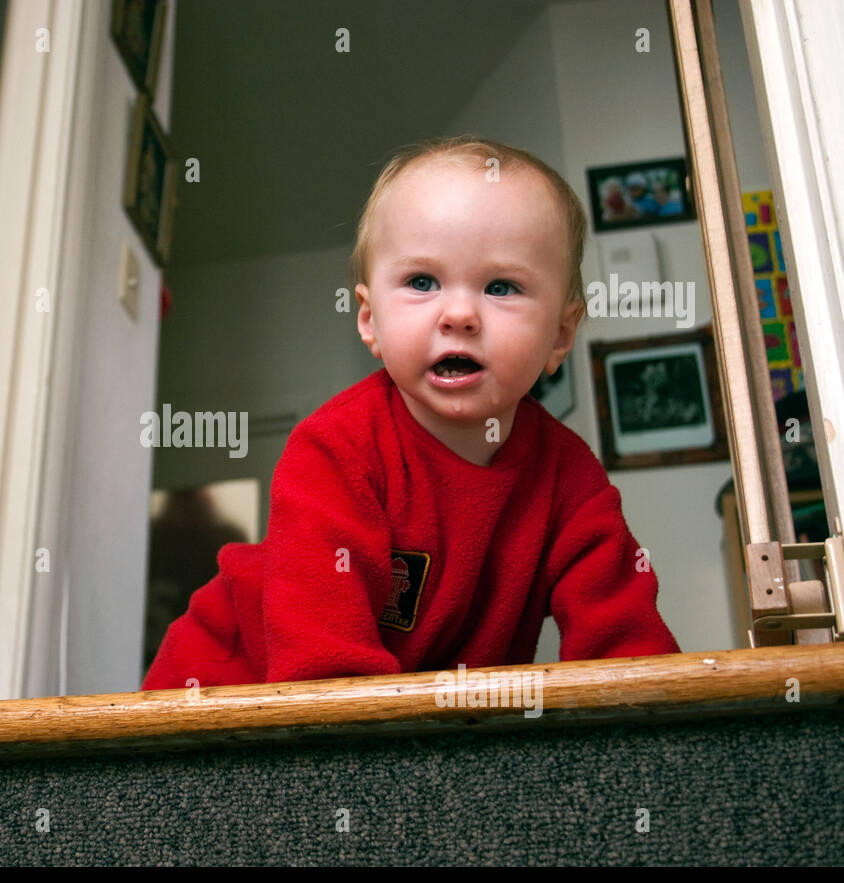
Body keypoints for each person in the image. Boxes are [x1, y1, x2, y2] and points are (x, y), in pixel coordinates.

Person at [141, 135, 680, 691]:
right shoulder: (335, 449)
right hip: (225, 680)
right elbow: (325, 671)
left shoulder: (570, 479)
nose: (460, 314)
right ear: (370, 320)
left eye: (502, 287)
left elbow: (625, 644)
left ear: (561, 335)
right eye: (422, 282)